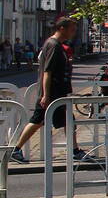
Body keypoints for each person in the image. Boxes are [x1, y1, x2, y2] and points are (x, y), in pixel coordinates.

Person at [10, 17, 88, 165]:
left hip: (57, 92)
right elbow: (48, 71)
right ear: (62, 28)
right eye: (72, 29)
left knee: (67, 120)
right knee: (38, 120)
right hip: (53, 93)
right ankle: (16, 149)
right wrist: (45, 95)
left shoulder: (56, 45)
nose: (74, 32)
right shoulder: (53, 46)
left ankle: (74, 150)